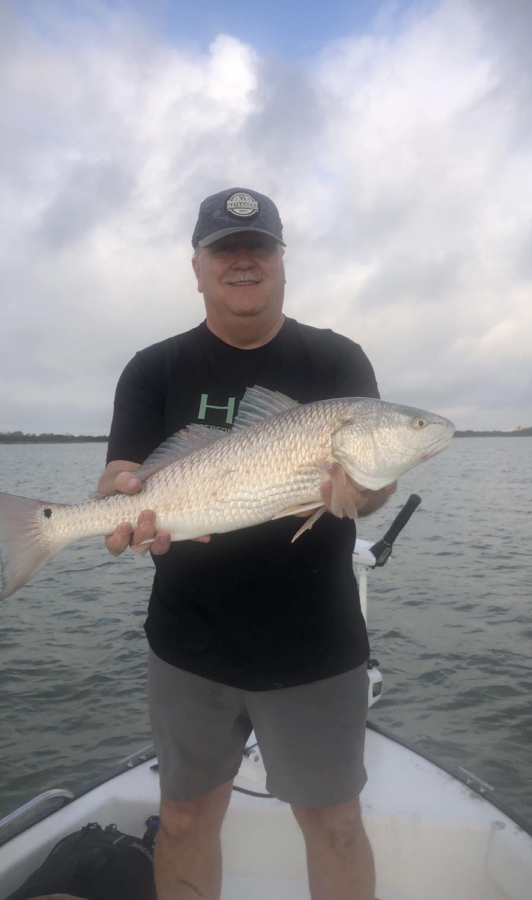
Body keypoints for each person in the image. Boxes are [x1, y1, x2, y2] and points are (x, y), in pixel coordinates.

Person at [96, 187, 394, 900]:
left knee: (338, 827)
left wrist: (366, 492)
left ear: (283, 261)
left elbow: (374, 481)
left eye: (257, 246)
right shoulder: (153, 368)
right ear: (195, 267)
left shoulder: (336, 360)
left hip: (316, 647)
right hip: (187, 646)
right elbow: (119, 473)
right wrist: (117, 500)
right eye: (223, 249)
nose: (241, 261)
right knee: (185, 818)